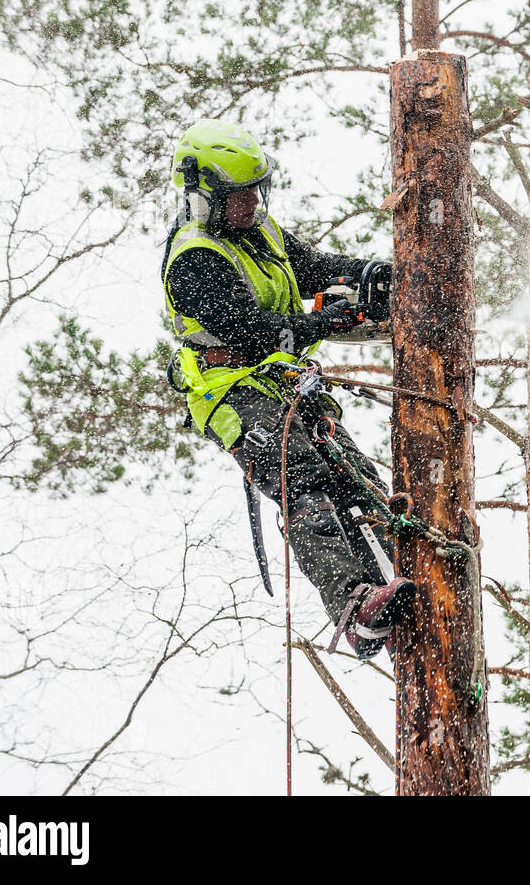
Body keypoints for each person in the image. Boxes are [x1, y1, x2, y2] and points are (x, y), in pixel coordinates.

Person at [160, 118, 414, 659]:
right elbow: (254, 335)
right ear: (206, 196)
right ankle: (355, 604)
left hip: (286, 380)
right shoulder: (194, 260)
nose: (253, 203)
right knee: (302, 480)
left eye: (258, 189)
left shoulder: (260, 230)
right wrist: (330, 321)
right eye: (239, 195)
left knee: (354, 474)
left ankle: (399, 571)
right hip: (231, 390)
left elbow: (310, 266)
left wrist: (370, 271)